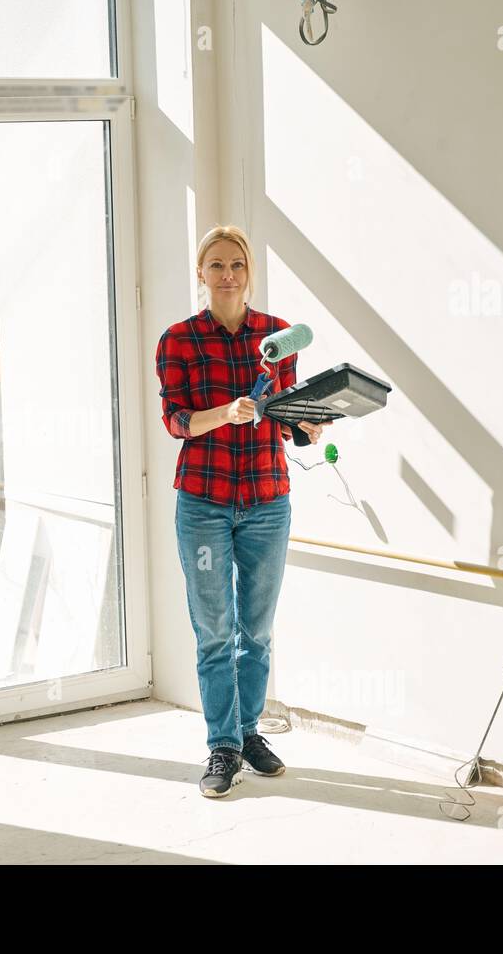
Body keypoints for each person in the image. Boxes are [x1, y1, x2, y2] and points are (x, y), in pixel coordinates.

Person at [154, 225, 330, 797]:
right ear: (200, 273)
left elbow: (282, 414)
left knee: (256, 629)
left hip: (266, 501)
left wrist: (306, 425)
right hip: (204, 501)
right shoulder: (179, 340)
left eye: (237, 264)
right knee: (214, 631)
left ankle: (249, 732)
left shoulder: (278, 336)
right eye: (216, 264)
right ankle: (222, 746)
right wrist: (224, 413)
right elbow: (176, 421)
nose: (227, 273)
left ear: (248, 271)